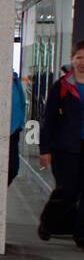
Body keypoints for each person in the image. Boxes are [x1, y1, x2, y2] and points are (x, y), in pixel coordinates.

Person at [37, 40, 84, 247]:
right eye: (79, 57)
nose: (82, 62)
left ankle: (81, 235)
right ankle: (48, 222)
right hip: (66, 148)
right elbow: (49, 120)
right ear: (72, 60)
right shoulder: (62, 86)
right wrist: (45, 149)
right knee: (68, 191)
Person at [8, 71, 26, 185]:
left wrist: (20, 123)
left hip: (14, 131)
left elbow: (22, 103)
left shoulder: (14, 79)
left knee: (13, 169)